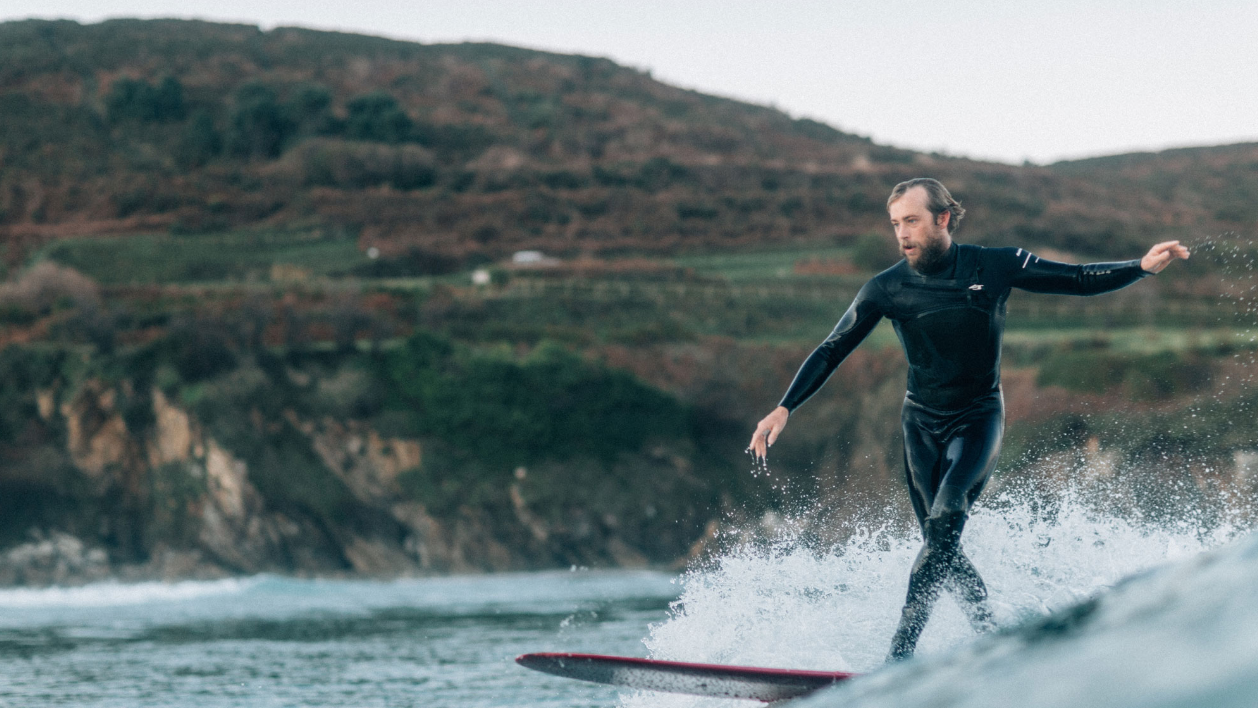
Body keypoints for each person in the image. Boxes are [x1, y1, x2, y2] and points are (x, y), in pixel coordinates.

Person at [747, 177, 1190, 661]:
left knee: (946, 521)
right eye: (895, 224)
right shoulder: (886, 287)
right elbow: (832, 348)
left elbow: (1077, 279)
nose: (902, 233)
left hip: (977, 418)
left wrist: (1140, 267)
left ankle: (897, 662)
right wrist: (784, 406)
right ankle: (992, 640)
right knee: (943, 547)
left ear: (942, 219)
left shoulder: (995, 264)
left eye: (911, 220)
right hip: (920, 424)